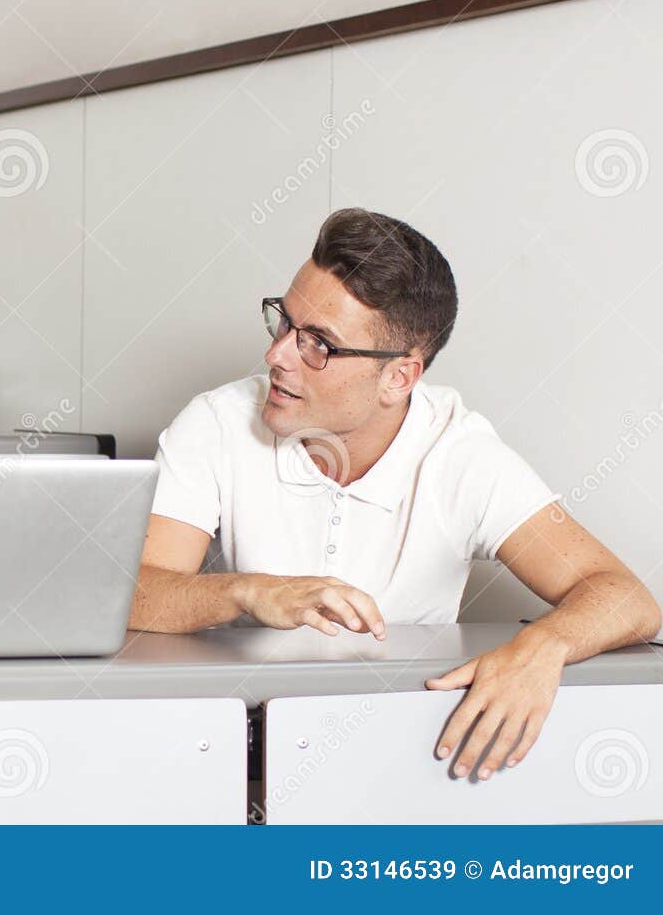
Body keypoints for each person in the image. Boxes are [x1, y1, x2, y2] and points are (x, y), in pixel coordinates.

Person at [129, 208, 661, 782]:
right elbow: (133, 595)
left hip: (408, 754)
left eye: (319, 345)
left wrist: (543, 648)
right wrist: (248, 592)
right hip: (236, 749)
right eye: (284, 323)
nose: (277, 356)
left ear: (399, 378)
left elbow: (627, 599)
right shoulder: (218, 422)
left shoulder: (461, 455)